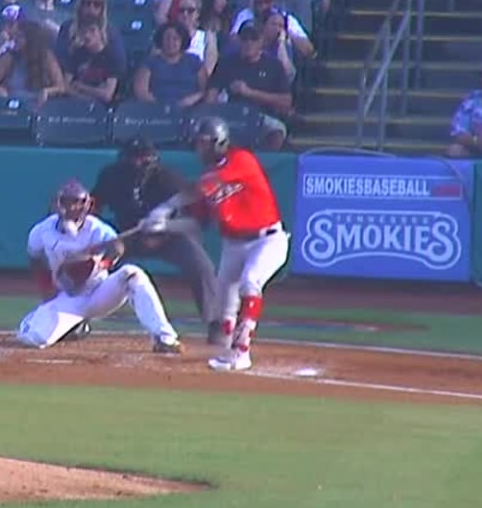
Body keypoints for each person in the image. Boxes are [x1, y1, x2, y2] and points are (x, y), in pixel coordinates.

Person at [143, 116, 289, 372]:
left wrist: (167, 207)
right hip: (233, 244)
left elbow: (200, 189)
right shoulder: (209, 177)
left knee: (250, 282)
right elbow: (197, 225)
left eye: (204, 143)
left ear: (219, 143)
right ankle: (227, 350)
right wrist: (162, 224)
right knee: (224, 305)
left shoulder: (240, 159)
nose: (199, 148)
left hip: (266, 239)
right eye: (198, 143)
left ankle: (241, 351)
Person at [17, 179, 182, 352]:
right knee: (36, 339)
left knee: (133, 274)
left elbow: (117, 247)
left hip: (98, 291)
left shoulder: (97, 229)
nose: (72, 207)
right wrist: (46, 289)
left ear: (86, 204)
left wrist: (101, 263)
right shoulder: (42, 231)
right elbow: (34, 258)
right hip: (67, 296)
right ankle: (37, 321)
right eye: (67, 201)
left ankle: (165, 338)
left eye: (76, 202)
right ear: (58, 203)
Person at [90, 138, 218, 339]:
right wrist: (97, 234)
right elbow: (94, 207)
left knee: (200, 265)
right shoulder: (111, 175)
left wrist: (164, 232)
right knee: (94, 261)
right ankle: (79, 318)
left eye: (145, 158)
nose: (140, 163)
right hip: (126, 234)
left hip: (169, 236)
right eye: (135, 158)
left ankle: (215, 323)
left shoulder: (169, 178)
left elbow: (194, 220)